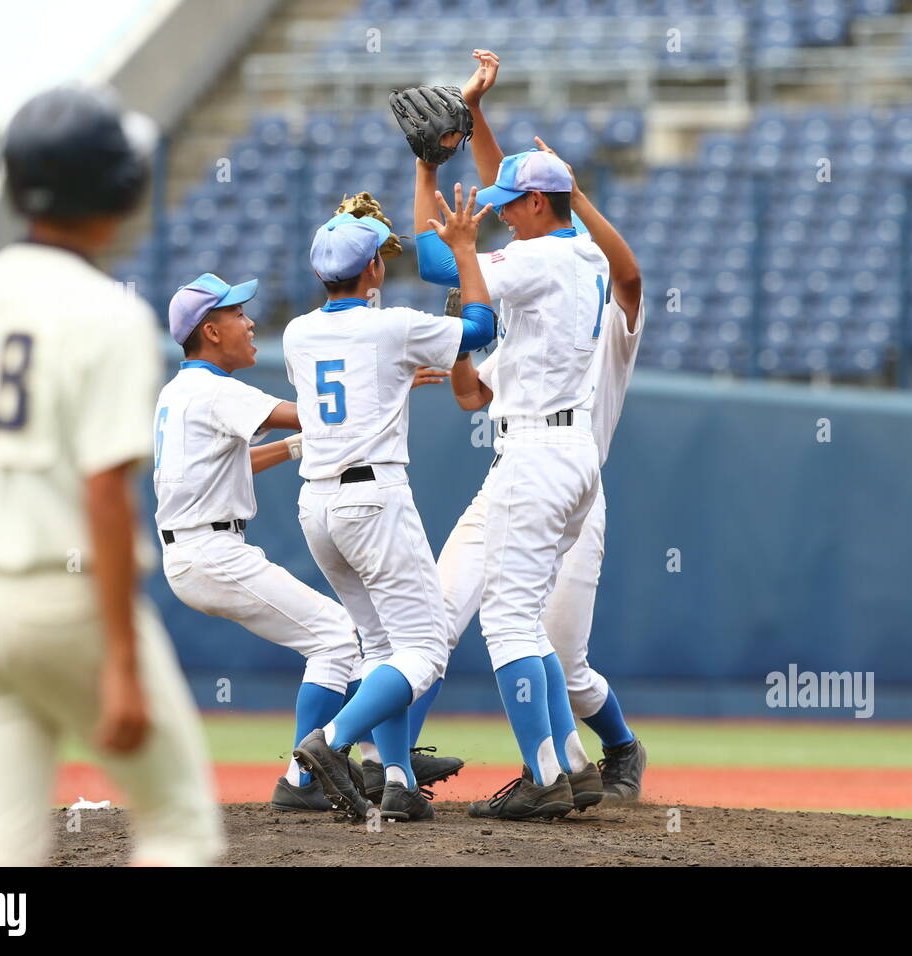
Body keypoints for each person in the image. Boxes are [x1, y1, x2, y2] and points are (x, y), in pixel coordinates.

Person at [0, 85, 222, 865]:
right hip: (67, 605)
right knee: (180, 824)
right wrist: (121, 661)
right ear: (115, 185)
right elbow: (102, 492)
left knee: (4, 851)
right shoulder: (106, 312)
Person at [412, 56, 611, 820]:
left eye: (506, 203)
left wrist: (427, 173)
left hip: (536, 449)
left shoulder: (537, 258)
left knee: (506, 620)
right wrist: (469, 139)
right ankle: (569, 763)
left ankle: (542, 777)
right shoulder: (582, 251)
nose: (496, 211)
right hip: (567, 451)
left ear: (536, 204)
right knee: (520, 617)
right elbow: (473, 248)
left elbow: (434, 259)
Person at [288, 189, 497, 823]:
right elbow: (484, 329)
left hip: (316, 506)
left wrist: (398, 372)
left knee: (381, 646)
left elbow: (356, 379)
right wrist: (465, 256)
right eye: (380, 255)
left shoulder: (298, 332)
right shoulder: (392, 325)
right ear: (374, 268)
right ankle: (329, 743)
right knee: (426, 649)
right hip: (372, 500)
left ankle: (399, 778)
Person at [153, 272, 361, 812]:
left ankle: (350, 761)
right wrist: (381, 380)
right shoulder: (216, 390)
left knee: (335, 637)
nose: (249, 322)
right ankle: (303, 778)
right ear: (211, 331)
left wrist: (292, 448)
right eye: (237, 314)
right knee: (337, 637)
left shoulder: (179, 391)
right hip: (210, 552)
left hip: (196, 550)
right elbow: (323, 413)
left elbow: (227, 466)